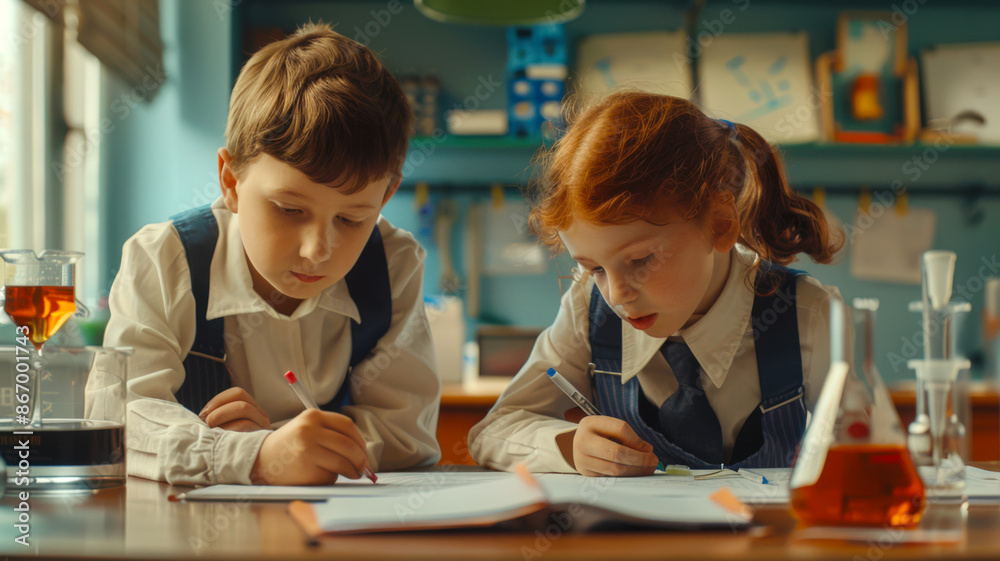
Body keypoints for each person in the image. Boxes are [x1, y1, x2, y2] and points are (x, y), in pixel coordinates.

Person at [94, 23, 440, 486]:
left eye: (352, 219)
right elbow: (116, 420)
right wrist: (251, 454)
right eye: (289, 209)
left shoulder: (392, 266)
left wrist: (275, 446)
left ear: (386, 196)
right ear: (231, 182)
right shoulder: (165, 259)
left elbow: (405, 439)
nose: (317, 250)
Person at [469, 92, 845, 476]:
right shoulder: (587, 306)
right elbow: (495, 430)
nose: (616, 295)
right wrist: (568, 446)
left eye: (640, 260)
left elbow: (871, 450)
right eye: (594, 268)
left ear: (720, 225)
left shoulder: (808, 314)